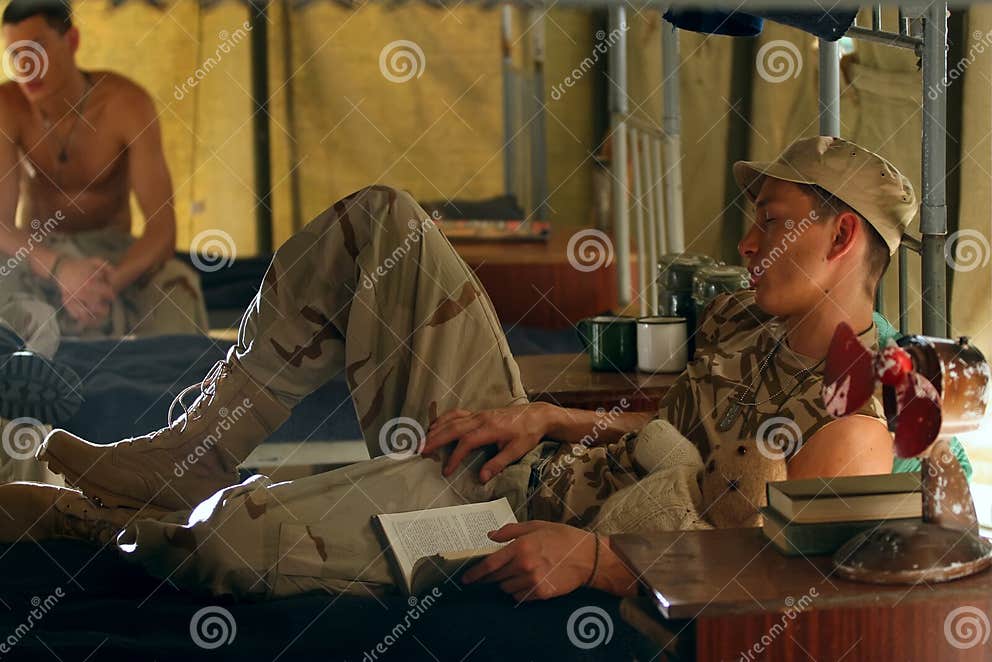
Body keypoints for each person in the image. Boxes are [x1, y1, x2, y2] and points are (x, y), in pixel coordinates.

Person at [1, 136, 912, 602]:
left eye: (773, 220)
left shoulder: (860, 419)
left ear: (840, 238)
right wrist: (548, 420)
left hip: (515, 523)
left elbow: (769, 581)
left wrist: (599, 562)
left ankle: (92, 529)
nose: (747, 242)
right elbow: (674, 437)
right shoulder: (739, 318)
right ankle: (192, 447)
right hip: (532, 461)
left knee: (240, 536)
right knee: (381, 220)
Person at [0, 0, 207, 423]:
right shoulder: (6, 106)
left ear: (71, 41)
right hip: (41, 255)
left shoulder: (125, 105)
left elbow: (162, 232)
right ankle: (24, 444)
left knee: (180, 285)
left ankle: (188, 428)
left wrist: (104, 282)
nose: (26, 66)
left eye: (36, 48)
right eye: (15, 54)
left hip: (113, 259)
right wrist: (60, 269)